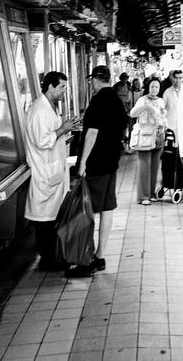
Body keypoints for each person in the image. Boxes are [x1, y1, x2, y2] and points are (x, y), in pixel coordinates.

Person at [66, 65, 128, 277]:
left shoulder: (98, 100)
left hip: (98, 164)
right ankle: (99, 256)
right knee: (107, 209)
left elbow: (92, 132)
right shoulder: (118, 101)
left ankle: (86, 260)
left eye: (91, 80)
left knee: (87, 210)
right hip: (112, 162)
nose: (90, 83)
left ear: (95, 79)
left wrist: (82, 162)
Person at [24, 71, 81, 271]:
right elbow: (42, 141)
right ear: (50, 87)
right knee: (44, 222)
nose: (64, 91)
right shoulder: (39, 110)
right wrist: (63, 129)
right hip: (44, 172)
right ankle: (48, 260)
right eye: (62, 87)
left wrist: (66, 128)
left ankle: (53, 257)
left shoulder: (50, 108)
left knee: (51, 218)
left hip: (53, 171)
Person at [130, 76, 167, 205]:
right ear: (148, 87)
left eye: (157, 86)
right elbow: (132, 113)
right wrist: (145, 107)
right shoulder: (142, 100)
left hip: (158, 136)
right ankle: (143, 196)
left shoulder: (161, 101)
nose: (154, 89)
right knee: (144, 166)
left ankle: (151, 193)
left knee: (154, 166)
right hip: (145, 136)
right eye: (152, 86)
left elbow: (163, 117)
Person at [162, 69, 183, 190]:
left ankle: (181, 181)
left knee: (182, 154)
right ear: (172, 78)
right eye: (176, 78)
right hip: (171, 128)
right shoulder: (167, 92)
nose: (178, 80)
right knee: (172, 155)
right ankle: (172, 180)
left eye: (181, 78)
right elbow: (163, 111)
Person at [114, 72, 132, 152]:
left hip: (126, 108)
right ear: (121, 78)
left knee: (125, 125)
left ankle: (123, 139)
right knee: (120, 125)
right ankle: (120, 140)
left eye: (126, 78)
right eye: (123, 78)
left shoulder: (128, 85)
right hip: (118, 107)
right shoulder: (117, 86)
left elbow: (129, 96)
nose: (124, 80)